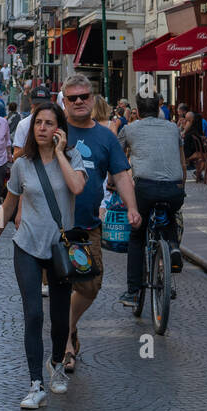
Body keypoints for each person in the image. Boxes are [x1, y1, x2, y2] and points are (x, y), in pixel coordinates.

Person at [0, 101, 86, 409]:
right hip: (26, 246)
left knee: (58, 319)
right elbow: (9, 205)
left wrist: (61, 154)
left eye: (49, 123)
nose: (42, 128)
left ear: (59, 129)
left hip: (61, 251)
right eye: (38, 122)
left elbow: (77, 187)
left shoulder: (73, 158)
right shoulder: (22, 165)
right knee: (33, 314)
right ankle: (35, 383)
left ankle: (56, 362)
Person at [60, 75, 139, 371]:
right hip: (53, 225)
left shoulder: (106, 137)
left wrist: (132, 207)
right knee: (59, 285)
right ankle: (66, 340)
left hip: (87, 225)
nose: (79, 101)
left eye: (84, 96)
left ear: (93, 99)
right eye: (73, 98)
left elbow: (120, 175)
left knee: (91, 284)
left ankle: (67, 328)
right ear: (64, 101)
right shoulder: (54, 129)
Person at [117, 95, 185, 309]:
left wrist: (113, 181)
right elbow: (182, 162)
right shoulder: (173, 128)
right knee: (171, 218)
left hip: (145, 188)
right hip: (174, 188)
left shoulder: (130, 129)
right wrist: (182, 187)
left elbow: (117, 158)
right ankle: (173, 247)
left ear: (137, 110)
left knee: (137, 234)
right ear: (158, 108)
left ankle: (133, 291)